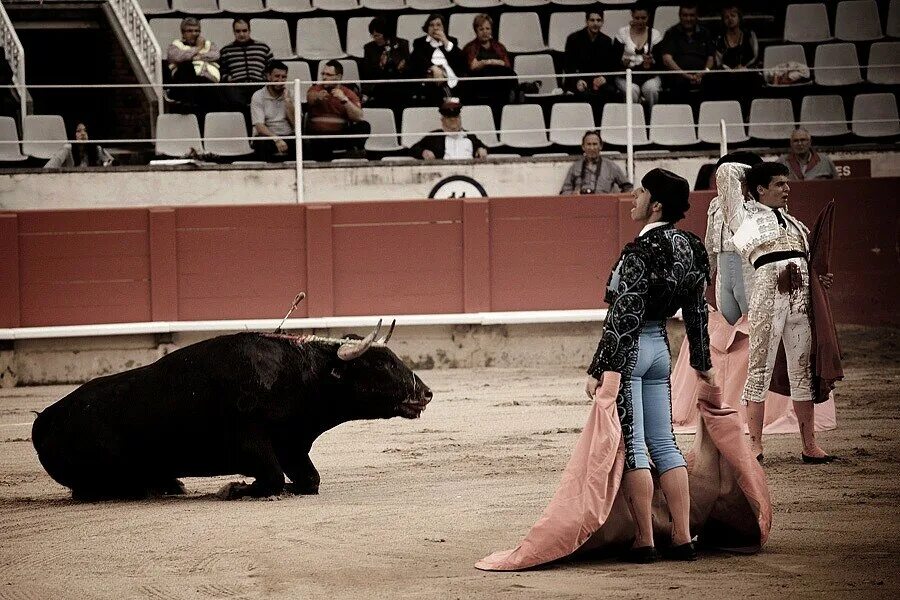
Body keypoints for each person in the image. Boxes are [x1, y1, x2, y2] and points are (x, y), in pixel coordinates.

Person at [585, 168, 714, 563]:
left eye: (640, 192)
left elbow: (623, 316)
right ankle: (683, 536)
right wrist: (702, 362)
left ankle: (645, 540)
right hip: (661, 349)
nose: (634, 197)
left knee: (635, 446)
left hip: (631, 352)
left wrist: (600, 367)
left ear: (655, 205)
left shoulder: (639, 251)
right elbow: (696, 311)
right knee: (665, 441)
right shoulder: (692, 246)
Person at [719, 161, 835, 463]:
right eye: (779, 184)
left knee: (802, 371)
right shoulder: (743, 217)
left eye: (787, 183)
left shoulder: (796, 224)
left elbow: (809, 262)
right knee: (759, 369)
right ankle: (755, 444)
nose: (787, 188)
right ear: (760, 189)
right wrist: (757, 169)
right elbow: (726, 172)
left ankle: (809, 444)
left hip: (800, 300)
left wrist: (820, 278)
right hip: (767, 298)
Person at [705, 151, 764, 325]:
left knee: (755, 327)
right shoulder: (716, 204)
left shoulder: (761, 205)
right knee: (728, 328)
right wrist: (703, 281)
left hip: (751, 271)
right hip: (723, 277)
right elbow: (710, 247)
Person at [305, 60, 370, 162]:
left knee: (364, 126)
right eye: (323, 74)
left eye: (328, 75)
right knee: (320, 142)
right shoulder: (316, 89)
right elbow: (310, 98)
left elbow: (358, 117)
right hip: (318, 134)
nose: (324, 77)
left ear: (339, 77)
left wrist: (345, 100)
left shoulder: (348, 93)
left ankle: (352, 153)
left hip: (338, 135)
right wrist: (318, 97)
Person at [563, 10, 622, 121]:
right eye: (592, 20)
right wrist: (577, 81)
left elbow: (611, 67)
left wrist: (604, 78)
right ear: (586, 21)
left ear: (602, 22)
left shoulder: (607, 41)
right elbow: (568, 65)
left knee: (611, 92)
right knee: (584, 95)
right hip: (578, 80)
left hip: (599, 82)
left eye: (598, 20)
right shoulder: (573, 38)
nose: (595, 23)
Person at [218, 19, 273, 125]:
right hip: (237, 87)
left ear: (249, 31)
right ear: (233, 32)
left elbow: (272, 68)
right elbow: (219, 72)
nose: (241, 34)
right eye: (238, 31)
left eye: (244, 30)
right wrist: (228, 78)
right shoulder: (226, 50)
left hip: (259, 85)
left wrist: (265, 78)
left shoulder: (263, 48)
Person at [659, 4, 714, 109]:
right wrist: (686, 75)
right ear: (680, 16)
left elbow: (711, 58)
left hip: (703, 76)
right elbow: (667, 59)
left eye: (691, 15)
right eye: (685, 15)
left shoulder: (705, 33)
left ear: (697, 16)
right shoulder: (671, 33)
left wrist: (702, 73)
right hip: (678, 76)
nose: (688, 18)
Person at [461, 14, 517, 117]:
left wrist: (485, 62)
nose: (485, 32)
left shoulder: (499, 47)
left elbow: (506, 65)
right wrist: (493, 62)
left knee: (510, 74)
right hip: (479, 84)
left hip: (498, 83)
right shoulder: (470, 47)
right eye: (481, 29)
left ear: (491, 30)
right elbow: (473, 66)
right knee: (487, 71)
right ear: (476, 31)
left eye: (487, 29)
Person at [406, 14, 467, 107]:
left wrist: (445, 42)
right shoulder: (419, 42)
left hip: (451, 77)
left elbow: (460, 61)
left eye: (438, 25)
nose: (435, 28)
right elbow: (417, 59)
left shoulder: (452, 41)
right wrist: (433, 68)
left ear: (443, 27)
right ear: (427, 28)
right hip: (430, 77)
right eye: (431, 25)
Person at [614, 4, 663, 117]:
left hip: (648, 75)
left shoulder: (655, 34)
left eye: (643, 18)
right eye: (637, 18)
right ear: (632, 15)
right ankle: (634, 119)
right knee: (631, 90)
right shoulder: (622, 33)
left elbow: (660, 62)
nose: (640, 21)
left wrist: (651, 63)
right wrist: (623, 63)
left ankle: (651, 119)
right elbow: (613, 59)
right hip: (626, 75)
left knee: (651, 89)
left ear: (648, 16)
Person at [166, 17, 221, 117]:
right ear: (183, 33)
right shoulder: (175, 45)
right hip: (182, 85)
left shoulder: (209, 44)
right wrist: (198, 48)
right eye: (190, 31)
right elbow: (178, 57)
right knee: (185, 64)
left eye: (197, 31)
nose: (194, 34)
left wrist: (197, 56)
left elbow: (216, 55)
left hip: (205, 81)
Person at [708, 4, 761, 107]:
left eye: (733, 16)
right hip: (728, 75)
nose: (730, 19)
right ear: (723, 20)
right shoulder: (719, 39)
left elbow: (755, 56)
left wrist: (745, 68)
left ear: (739, 17)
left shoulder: (749, 35)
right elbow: (719, 61)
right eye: (726, 17)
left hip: (747, 71)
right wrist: (730, 70)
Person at [409, 99, 488, 160]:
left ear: (460, 118)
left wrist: (482, 150)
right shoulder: (435, 136)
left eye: (456, 117)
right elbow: (412, 149)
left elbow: (486, 148)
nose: (453, 120)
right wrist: (423, 152)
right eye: (449, 118)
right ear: (442, 120)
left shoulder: (470, 136)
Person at [559, 131, 632, 195]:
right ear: (583, 147)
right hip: (580, 204)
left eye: (595, 144)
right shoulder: (575, 167)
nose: (592, 148)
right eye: (589, 144)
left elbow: (628, 188)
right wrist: (573, 194)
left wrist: (615, 198)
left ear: (601, 146)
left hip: (604, 204)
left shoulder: (611, 166)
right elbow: (564, 191)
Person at [250, 60, 296, 162]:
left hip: (288, 135)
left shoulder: (291, 94)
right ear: (268, 76)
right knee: (262, 144)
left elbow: (296, 124)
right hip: (268, 136)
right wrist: (277, 139)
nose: (280, 80)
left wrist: (288, 102)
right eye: (277, 76)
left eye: (283, 77)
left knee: (304, 142)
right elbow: (259, 126)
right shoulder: (258, 95)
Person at [361, 17, 410, 108]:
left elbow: (408, 65)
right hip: (380, 84)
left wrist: (402, 66)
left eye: (377, 35)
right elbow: (367, 73)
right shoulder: (369, 48)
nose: (375, 38)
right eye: (373, 35)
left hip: (399, 83)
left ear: (386, 34)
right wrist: (381, 65)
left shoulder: (402, 44)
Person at [43, 122, 114, 168]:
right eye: (79, 131)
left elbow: (111, 163)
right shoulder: (67, 149)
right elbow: (49, 167)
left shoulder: (97, 148)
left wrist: (108, 164)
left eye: (85, 131)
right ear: (73, 134)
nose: (83, 133)